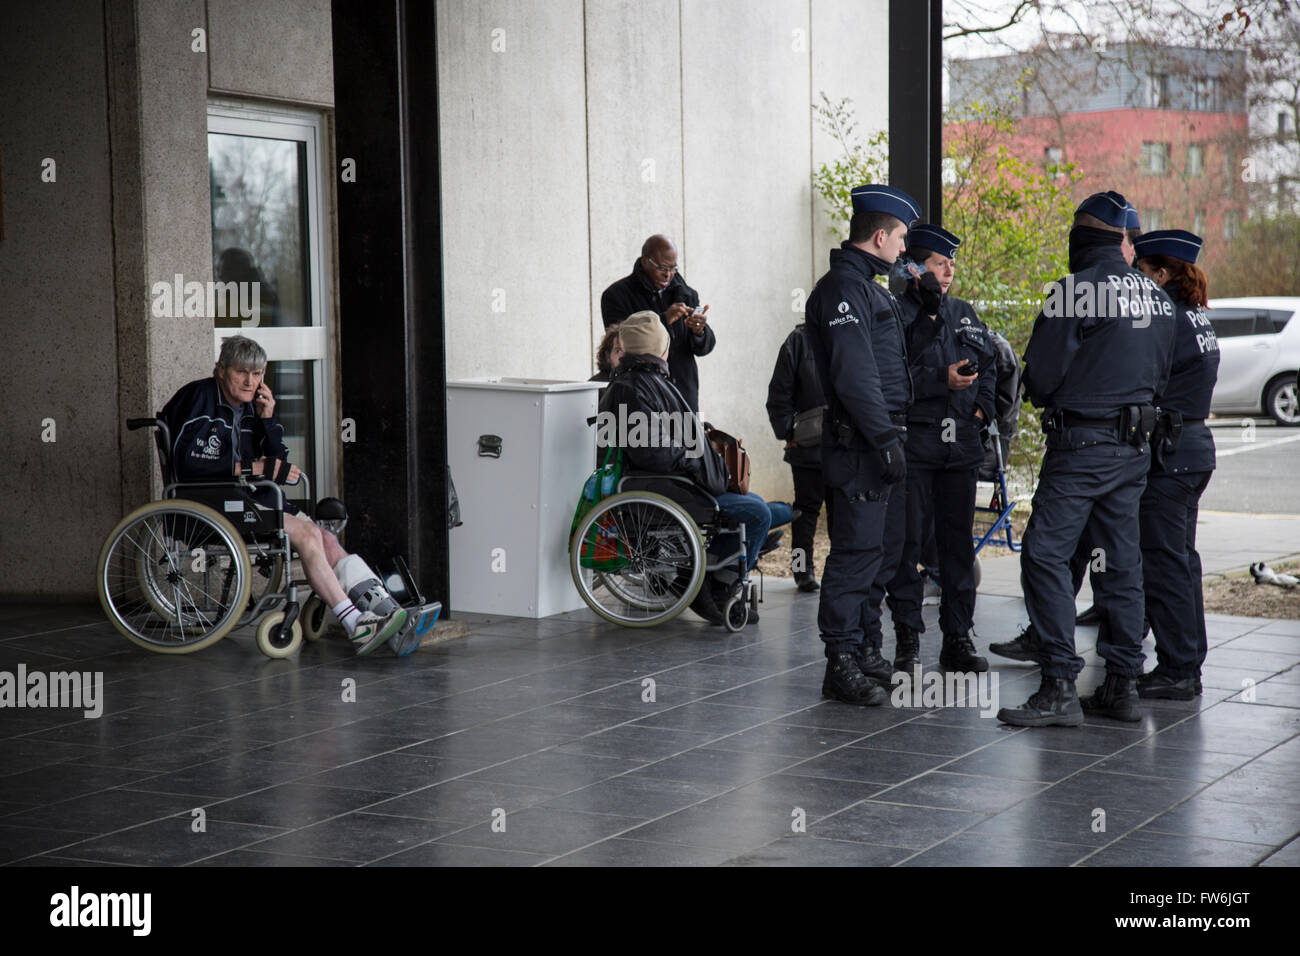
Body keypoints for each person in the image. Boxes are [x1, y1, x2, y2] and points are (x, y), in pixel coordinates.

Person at [996, 191, 1176, 727]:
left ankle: (1057, 684)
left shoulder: (1072, 293)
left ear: (1081, 238)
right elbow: (1161, 376)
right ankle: (1122, 685)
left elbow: (1043, 379)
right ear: (1118, 238)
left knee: (1045, 555)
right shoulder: (1155, 296)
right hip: (1133, 451)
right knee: (1121, 565)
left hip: (1081, 449)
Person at [160, 335, 408, 656]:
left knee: (327, 539)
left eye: (258, 373)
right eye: (241, 372)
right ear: (221, 370)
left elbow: (277, 463)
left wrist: (267, 419)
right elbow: (190, 462)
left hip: (251, 499)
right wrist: (254, 466)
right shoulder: (199, 398)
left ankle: (385, 608)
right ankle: (354, 624)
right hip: (211, 503)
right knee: (307, 534)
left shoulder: (251, 406)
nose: (251, 381)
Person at [803, 184, 920, 706]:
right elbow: (855, 377)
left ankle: (864, 649)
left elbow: (890, 365)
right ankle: (840, 662)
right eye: (900, 239)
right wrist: (882, 440)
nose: (903, 250)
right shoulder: (842, 290)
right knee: (853, 555)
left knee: (876, 553)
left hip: (878, 440)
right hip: (861, 446)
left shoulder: (869, 288)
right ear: (879, 236)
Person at [599, 312, 771, 625]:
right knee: (758, 513)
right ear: (661, 349)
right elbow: (653, 452)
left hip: (668, 483)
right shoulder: (640, 386)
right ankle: (715, 583)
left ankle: (711, 576)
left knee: (758, 506)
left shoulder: (634, 383)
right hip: (669, 487)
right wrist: (695, 459)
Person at [885, 224, 997, 676]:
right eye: (938, 263)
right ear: (915, 269)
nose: (949, 270)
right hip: (918, 443)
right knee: (909, 544)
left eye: (951, 263)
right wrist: (939, 382)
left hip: (961, 449)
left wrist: (982, 411)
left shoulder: (965, 312)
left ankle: (957, 639)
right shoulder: (898, 314)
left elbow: (990, 367)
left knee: (957, 549)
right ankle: (908, 640)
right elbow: (893, 378)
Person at [1132, 229, 1220, 699]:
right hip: (1192, 451)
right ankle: (1188, 662)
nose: (1134, 278)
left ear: (1161, 274)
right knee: (1182, 561)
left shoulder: (1166, 320)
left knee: (1165, 564)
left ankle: (1179, 668)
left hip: (1171, 456)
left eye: (1141, 271)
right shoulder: (1197, 318)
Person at [600, 235, 716, 413]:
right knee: (652, 440)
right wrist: (662, 320)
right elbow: (617, 342)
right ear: (645, 261)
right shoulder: (616, 295)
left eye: (673, 268)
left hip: (684, 393)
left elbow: (703, 349)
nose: (668, 274)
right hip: (641, 394)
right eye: (662, 268)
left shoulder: (686, 294)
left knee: (687, 440)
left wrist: (699, 331)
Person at [766, 322, 827, 592]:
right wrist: (788, 431)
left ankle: (841, 572)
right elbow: (779, 392)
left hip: (847, 446)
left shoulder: (855, 333)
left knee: (845, 513)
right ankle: (802, 570)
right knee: (805, 512)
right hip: (807, 445)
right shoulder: (799, 340)